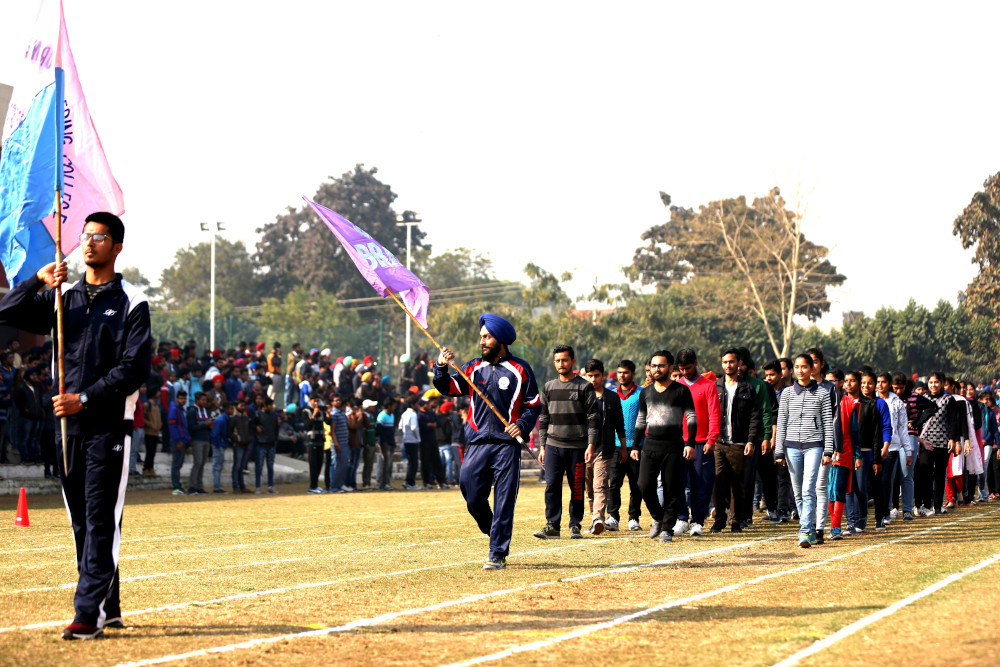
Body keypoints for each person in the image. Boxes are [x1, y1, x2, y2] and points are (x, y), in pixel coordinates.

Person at [0, 212, 152, 640]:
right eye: (85, 236)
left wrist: (83, 399)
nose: (88, 243)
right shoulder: (63, 297)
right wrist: (37, 280)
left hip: (108, 425)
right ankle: (110, 605)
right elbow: (6, 311)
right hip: (66, 428)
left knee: (101, 519)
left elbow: (133, 369)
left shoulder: (133, 302)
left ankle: (88, 614)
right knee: (82, 522)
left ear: (116, 247)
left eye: (98, 237)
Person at [433, 313, 541, 570]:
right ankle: (492, 528)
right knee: (470, 494)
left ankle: (497, 552)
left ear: (500, 340)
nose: (482, 341)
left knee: (504, 500)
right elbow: (449, 388)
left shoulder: (521, 369)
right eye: (481, 337)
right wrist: (441, 367)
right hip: (477, 442)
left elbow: (533, 405)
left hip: (507, 444)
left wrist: (521, 425)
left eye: (487, 337)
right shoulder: (472, 368)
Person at [534, 345, 600, 540]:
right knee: (551, 487)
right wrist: (543, 447)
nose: (561, 364)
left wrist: (590, 445)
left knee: (577, 488)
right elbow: (544, 419)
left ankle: (575, 525)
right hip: (553, 447)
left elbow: (593, 419)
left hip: (577, 447)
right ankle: (552, 526)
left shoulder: (584, 387)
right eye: (557, 360)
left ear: (573, 362)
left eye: (564, 360)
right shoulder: (548, 387)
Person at [632, 350, 697, 543]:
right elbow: (641, 420)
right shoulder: (645, 392)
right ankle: (658, 517)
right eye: (653, 366)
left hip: (674, 446)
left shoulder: (681, 391)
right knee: (643, 485)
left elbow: (691, 417)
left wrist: (690, 443)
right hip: (650, 445)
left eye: (661, 365)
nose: (656, 369)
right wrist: (635, 446)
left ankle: (667, 529)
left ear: (670, 367)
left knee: (672, 489)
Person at [773, 353, 835, 548]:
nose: (800, 370)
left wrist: (828, 450)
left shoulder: (823, 393)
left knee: (809, 489)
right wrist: (779, 451)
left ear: (812, 369)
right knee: (798, 492)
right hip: (791, 448)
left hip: (814, 446)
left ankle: (806, 531)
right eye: (797, 367)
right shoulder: (787, 394)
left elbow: (828, 424)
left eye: (804, 366)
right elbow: (781, 423)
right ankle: (808, 528)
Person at [711, 348, 762, 533]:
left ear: (739, 364)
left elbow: (755, 416)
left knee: (737, 484)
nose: (728, 365)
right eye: (725, 362)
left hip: (739, 443)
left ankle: (736, 521)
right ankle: (719, 519)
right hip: (718, 442)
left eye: (731, 362)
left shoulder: (747, 388)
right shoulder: (715, 386)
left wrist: (751, 440)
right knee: (718, 481)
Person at [673, 348, 720, 537]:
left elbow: (714, 414)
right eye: (681, 369)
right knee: (676, 482)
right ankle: (681, 519)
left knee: (701, 484)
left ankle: (698, 521)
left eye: (688, 368)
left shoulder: (708, 386)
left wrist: (712, 439)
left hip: (702, 443)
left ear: (696, 363)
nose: (685, 372)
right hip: (679, 443)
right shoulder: (676, 386)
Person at [582, 359, 626, 536]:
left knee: (600, 486)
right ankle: (594, 520)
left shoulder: (612, 397)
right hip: (584, 450)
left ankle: (598, 519)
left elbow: (619, 424)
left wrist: (623, 448)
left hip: (605, 449)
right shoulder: (581, 397)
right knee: (589, 489)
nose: (593, 379)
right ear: (585, 376)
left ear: (603, 375)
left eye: (596, 375)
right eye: (590, 376)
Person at [608, 360, 643, 531]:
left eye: (626, 372)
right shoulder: (611, 394)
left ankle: (634, 518)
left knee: (636, 485)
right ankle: (612, 517)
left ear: (633, 374)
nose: (622, 375)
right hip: (615, 446)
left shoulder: (642, 393)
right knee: (614, 483)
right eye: (620, 372)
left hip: (637, 446)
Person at [252, 397, 279, 493]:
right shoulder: (258, 414)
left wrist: (275, 439)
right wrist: (256, 427)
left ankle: (270, 486)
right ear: (265, 406)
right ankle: (258, 487)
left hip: (271, 443)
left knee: (270, 466)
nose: (272, 407)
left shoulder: (273, 415)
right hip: (261, 443)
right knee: (259, 466)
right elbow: (251, 424)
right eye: (270, 405)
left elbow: (276, 428)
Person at [376, 398, 397, 490]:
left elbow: (391, 430)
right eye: (394, 405)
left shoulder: (392, 415)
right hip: (384, 444)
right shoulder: (382, 415)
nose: (395, 407)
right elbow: (379, 430)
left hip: (390, 443)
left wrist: (393, 442)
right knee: (383, 464)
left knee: (389, 464)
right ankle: (381, 483)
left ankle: (387, 482)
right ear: (389, 406)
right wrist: (383, 441)